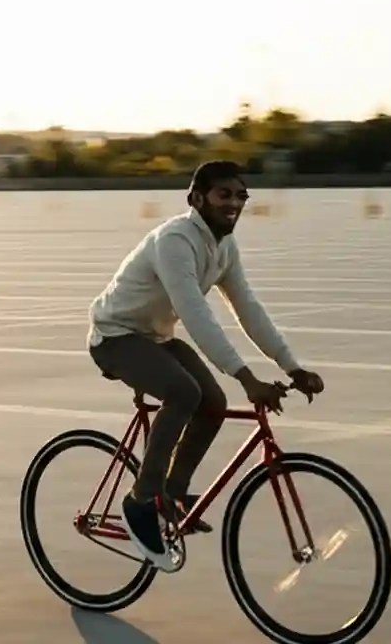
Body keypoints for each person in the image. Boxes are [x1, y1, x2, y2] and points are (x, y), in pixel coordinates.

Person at [87, 159, 324, 571]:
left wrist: (293, 367)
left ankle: (172, 494)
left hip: (155, 338)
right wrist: (247, 378)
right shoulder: (175, 240)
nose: (234, 203)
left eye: (241, 196)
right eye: (224, 194)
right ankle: (142, 500)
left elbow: (248, 309)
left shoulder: (224, 248)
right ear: (196, 199)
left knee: (211, 402)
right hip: (115, 336)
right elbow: (195, 314)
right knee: (183, 392)